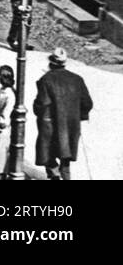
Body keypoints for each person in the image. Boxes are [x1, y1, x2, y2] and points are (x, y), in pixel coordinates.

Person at [34, 48, 94, 180]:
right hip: (71, 126)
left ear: (51, 63)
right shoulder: (77, 79)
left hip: (50, 125)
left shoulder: (46, 79)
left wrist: (37, 111)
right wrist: (79, 116)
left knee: (48, 154)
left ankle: (54, 174)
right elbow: (87, 103)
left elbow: (41, 104)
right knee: (65, 157)